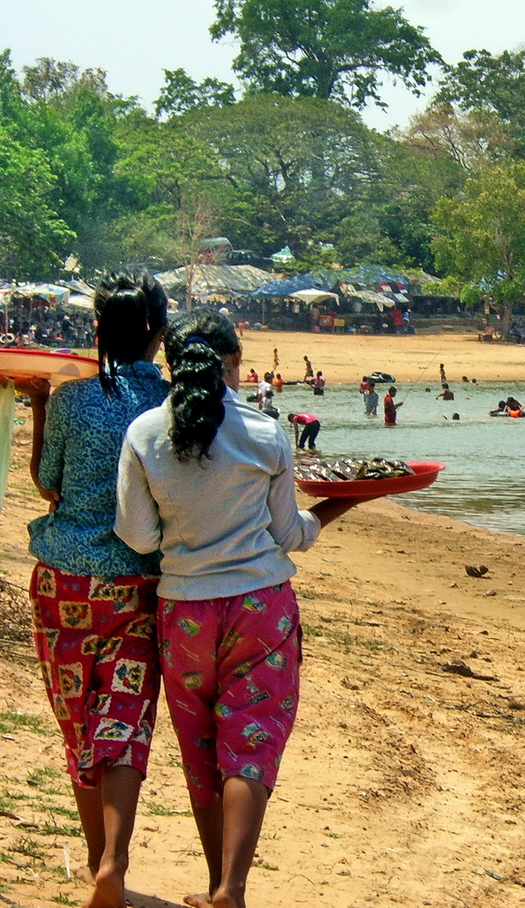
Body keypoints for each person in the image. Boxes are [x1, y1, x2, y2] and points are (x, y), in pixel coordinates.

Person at [115, 309, 369, 908]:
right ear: (234, 363)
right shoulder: (263, 433)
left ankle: (213, 884)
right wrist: (345, 502)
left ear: (170, 365)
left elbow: (139, 537)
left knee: (202, 751)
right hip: (261, 612)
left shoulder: (145, 433)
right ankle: (231, 889)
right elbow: (289, 534)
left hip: (184, 613)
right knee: (248, 747)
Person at [21, 273, 170, 908]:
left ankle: (94, 862)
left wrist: (38, 408)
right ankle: (112, 860)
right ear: (159, 334)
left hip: (65, 583)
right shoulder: (172, 404)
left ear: (97, 332)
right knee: (125, 720)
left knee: (78, 719)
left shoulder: (74, 401)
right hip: (139, 585)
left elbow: (47, 484)